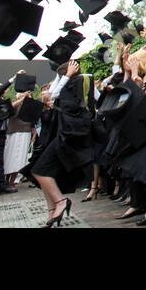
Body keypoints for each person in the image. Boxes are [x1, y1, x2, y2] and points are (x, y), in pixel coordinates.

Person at [31, 60, 94, 226]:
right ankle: (52, 210)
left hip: (68, 137)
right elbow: (52, 93)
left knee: (39, 171)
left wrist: (66, 76)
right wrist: (63, 76)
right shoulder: (69, 83)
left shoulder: (78, 83)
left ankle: (60, 202)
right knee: (42, 171)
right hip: (62, 136)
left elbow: (53, 95)